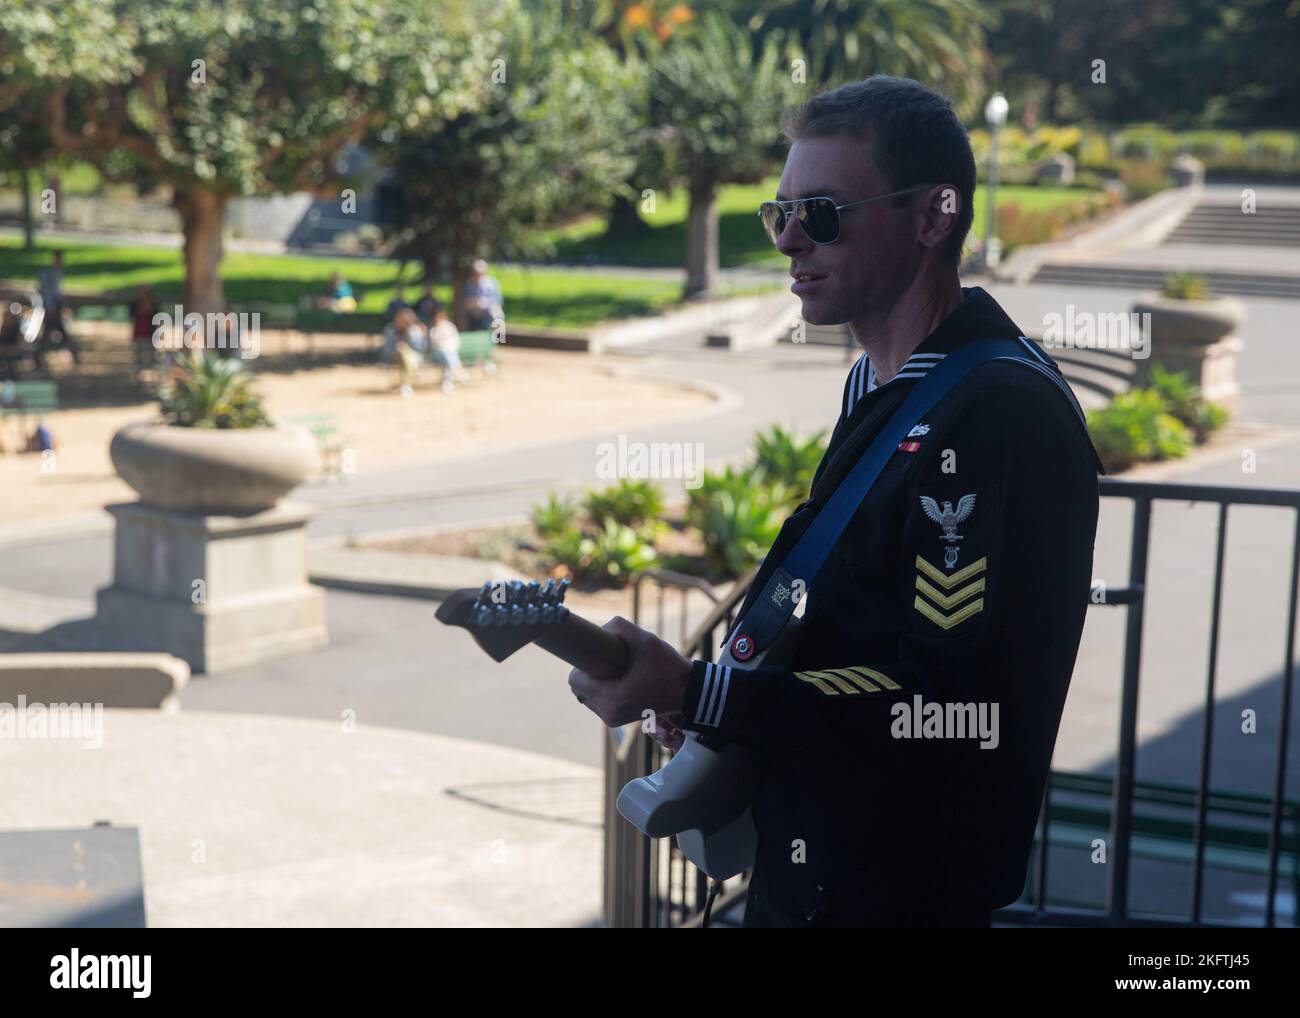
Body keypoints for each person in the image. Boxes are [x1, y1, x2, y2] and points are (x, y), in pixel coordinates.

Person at [568, 76, 1104, 928]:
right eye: (776, 214)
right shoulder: (886, 381)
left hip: (893, 890)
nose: (787, 241)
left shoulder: (996, 412)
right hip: (815, 863)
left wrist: (710, 692)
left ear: (934, 217)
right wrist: (719, 698)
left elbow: (949, 705)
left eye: (819, 213)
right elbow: (854, 620)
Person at [382, 307, 428, 397]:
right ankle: (406, 384)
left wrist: (407, 347)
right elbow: (386, 348)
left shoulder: (414, 331)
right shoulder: (391, 330)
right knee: (403, 355)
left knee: (405, 356)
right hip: (395, 356)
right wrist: (396, 349)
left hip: (413, 357)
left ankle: (405, 384)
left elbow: (420, 348)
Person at [426, 306, 470, 394]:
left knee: (447, 355)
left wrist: (449, 347)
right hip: (437, 354)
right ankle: (458, 372)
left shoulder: (449, 326)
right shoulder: (433, 329)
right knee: (445, 353)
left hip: (450, 351)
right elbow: (433, 345)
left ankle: (447, 382)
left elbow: (456, 340)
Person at [127, 285, 159, 378]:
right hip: (139, 335)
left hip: (150, 335)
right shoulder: (134, 304)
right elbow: (131, 315)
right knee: (137, 358)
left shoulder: (154, 304)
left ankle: (153, 377)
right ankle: (137, 376)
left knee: (152, 358)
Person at [463, 259, 503, 331]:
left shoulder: (493, 283)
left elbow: (497, 301)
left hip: (489, 311)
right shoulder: (470, 284)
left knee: (496, 315)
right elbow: (466, 299)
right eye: (476, 273)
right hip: (474, 312)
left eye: (480, 273)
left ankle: (496, 338)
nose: (477, 276)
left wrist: (483, 303)